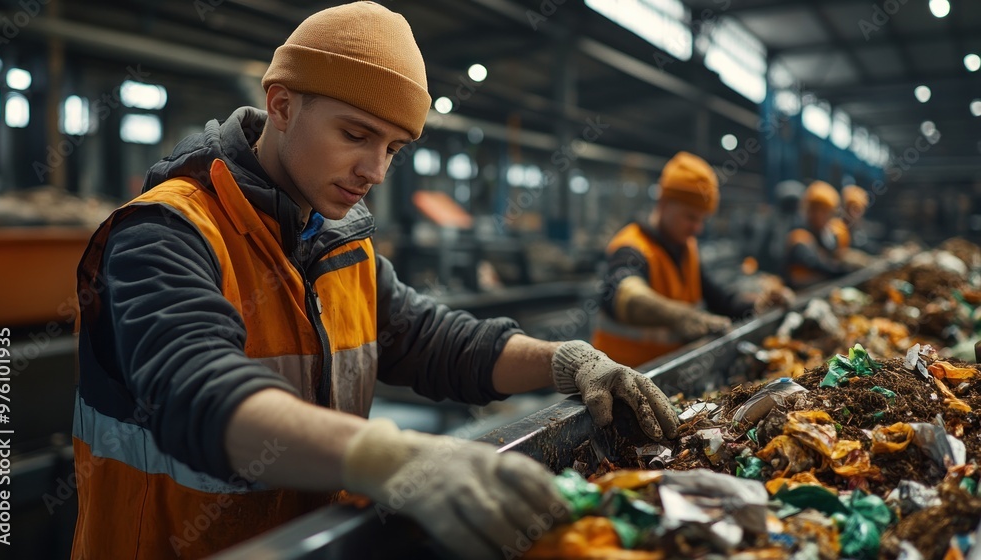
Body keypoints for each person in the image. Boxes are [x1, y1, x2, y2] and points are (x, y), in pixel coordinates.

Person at [69, 4, 680, 559]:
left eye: (394, 147)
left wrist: (567, 362)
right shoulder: (166, 233)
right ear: (281, 105)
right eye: (356, 135)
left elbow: (433, 341)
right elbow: (197, 392)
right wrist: (392, 457)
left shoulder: (336, 244)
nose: (375, 170)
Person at [591, 152, 793, 369]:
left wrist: (758, 303)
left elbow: (720, 299)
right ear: (664, 203)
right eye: (690, 217)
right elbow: (624, 292)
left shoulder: (686, 248)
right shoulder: (632, 247)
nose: (697, 228)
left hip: (668, 373)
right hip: (620, 379)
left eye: (702, 219)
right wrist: (679, 316)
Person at [784, 181, 860, 289]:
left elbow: (836, 256)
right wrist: (844, 271)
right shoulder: (799, 236)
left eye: (824, 211)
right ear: (807, 210)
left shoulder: (830, 235)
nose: (819, 215)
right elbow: (816, 264)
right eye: (815, 209)